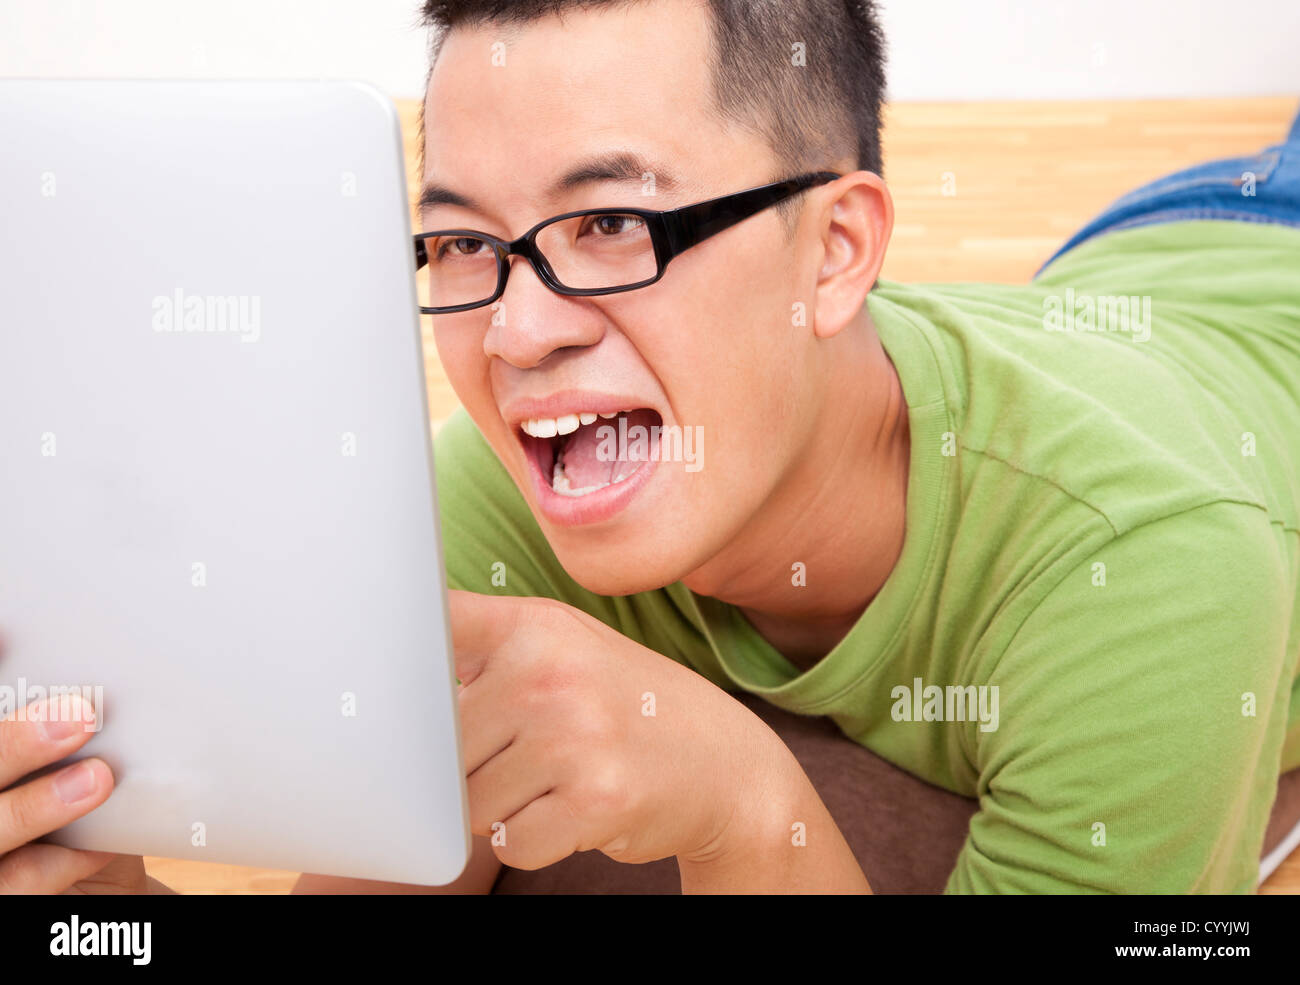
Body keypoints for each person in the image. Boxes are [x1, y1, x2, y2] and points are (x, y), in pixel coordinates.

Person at [4, 0, 1297, 894]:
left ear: (838, 250)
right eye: (465, 242)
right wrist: (103, 901)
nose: (514, 333)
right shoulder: (499, 496)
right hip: (1130, 261)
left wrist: (751, 801)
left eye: (613, 222)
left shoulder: (1159, 575)